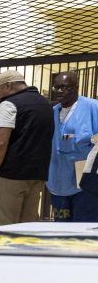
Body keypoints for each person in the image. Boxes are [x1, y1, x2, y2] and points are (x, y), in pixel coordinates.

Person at [0, 69, 54, 227]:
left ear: (8, 86)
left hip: (8, 177)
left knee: (3, 229)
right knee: (27, 229)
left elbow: (1, 143)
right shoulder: (45, 103)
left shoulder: (9, 104)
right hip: (37, 175)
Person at [45, 71, 97, 223]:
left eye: (64, 87)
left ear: (76, 88)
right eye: (56, 87)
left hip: (85, 180)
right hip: (59, 179)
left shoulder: (92, 107)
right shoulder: (53, 111)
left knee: (83, 226)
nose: (59, 91)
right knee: (61, 227)